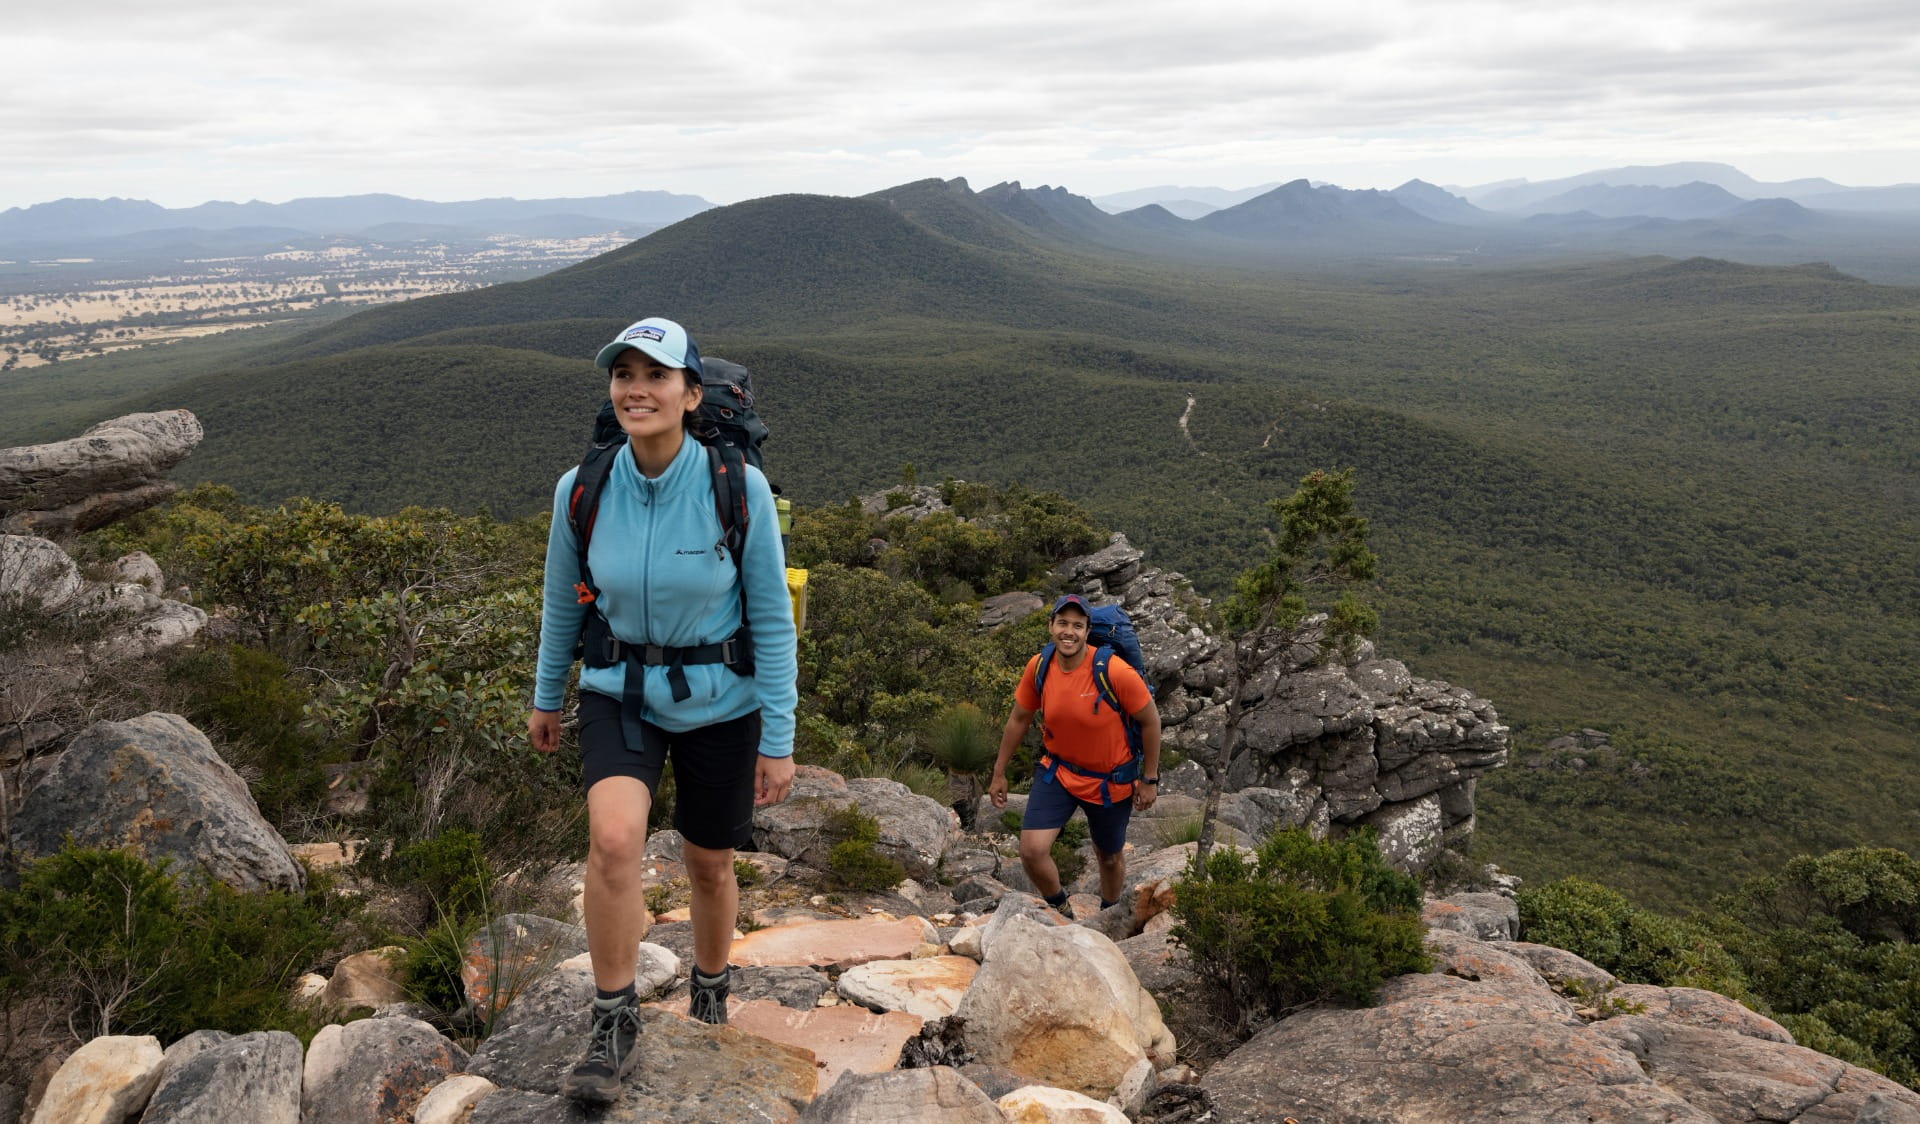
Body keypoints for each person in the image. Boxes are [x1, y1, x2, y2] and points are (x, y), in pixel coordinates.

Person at [527, 316, 797, 1105]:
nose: (636, 389)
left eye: (655, 375)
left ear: (689, 393)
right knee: (613, 843)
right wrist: (548, 698)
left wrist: (777, 739)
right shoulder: (582, 489)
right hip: (621, 692)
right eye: (623, 375)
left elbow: (773, 620)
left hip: (722, 701)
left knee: (709, 864)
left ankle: (711, 990)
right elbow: (560, 604)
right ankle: (614, 1020)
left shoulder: (733, 487)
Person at [988, 593, 1160, 918]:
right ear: (1051, 626)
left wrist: (1149, 778)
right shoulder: (1040, 666)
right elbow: (1019, 719)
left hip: (1110, 781)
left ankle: (1108, 917)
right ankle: (1062, 911)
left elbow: (1150, 720)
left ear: (1087, 630)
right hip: (1059, 773)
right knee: (1032, 851)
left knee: (1108, 857)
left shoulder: (1114, 671)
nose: (1069, 631)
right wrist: (999, 771)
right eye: (1063, 623)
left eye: (1077, 625)